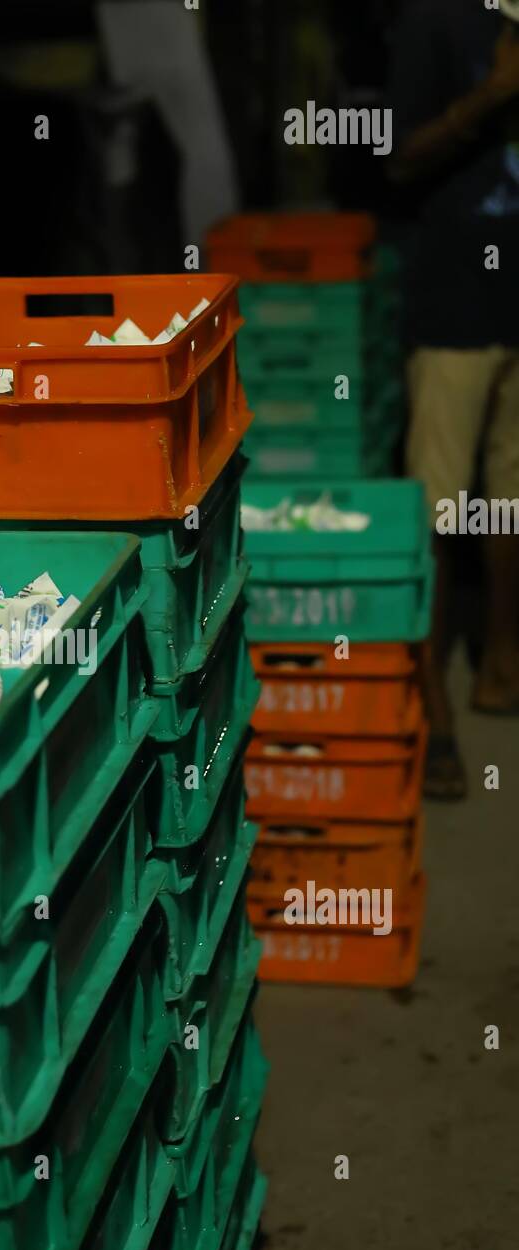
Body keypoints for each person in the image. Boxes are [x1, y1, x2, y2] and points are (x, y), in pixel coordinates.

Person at [389, 0, 519, 800]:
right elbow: (397, 156)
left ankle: (501, 666)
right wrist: (492, 93)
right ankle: (432, 711)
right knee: (439, 506)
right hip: (453, 309)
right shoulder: (434, 21)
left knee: (510, 500)